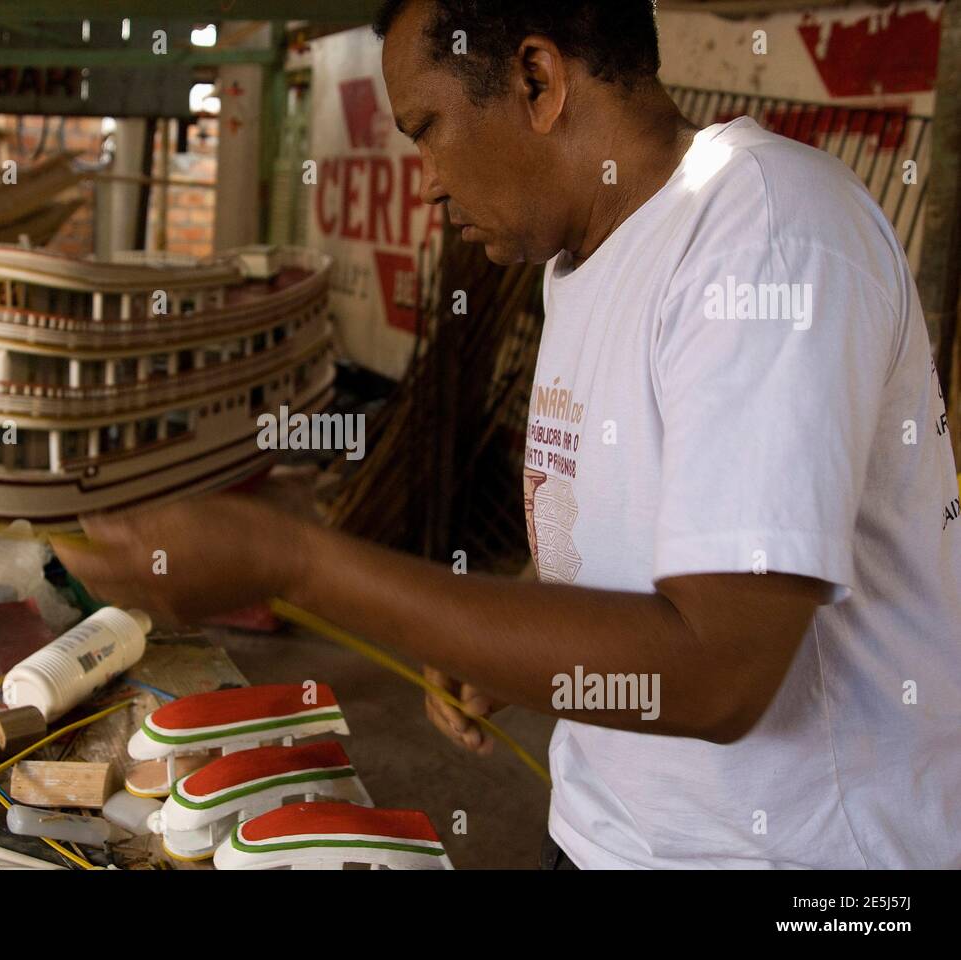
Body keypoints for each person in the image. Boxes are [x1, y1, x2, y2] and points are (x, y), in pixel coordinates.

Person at [53, 0, 961, 869]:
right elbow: (618, 536)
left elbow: (717, 672)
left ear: (536, 80)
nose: (432, 177)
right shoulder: (579, 258)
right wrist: (509, 642)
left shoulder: (765, 232)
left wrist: (296, 563)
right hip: (603, 834)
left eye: (427, 128)